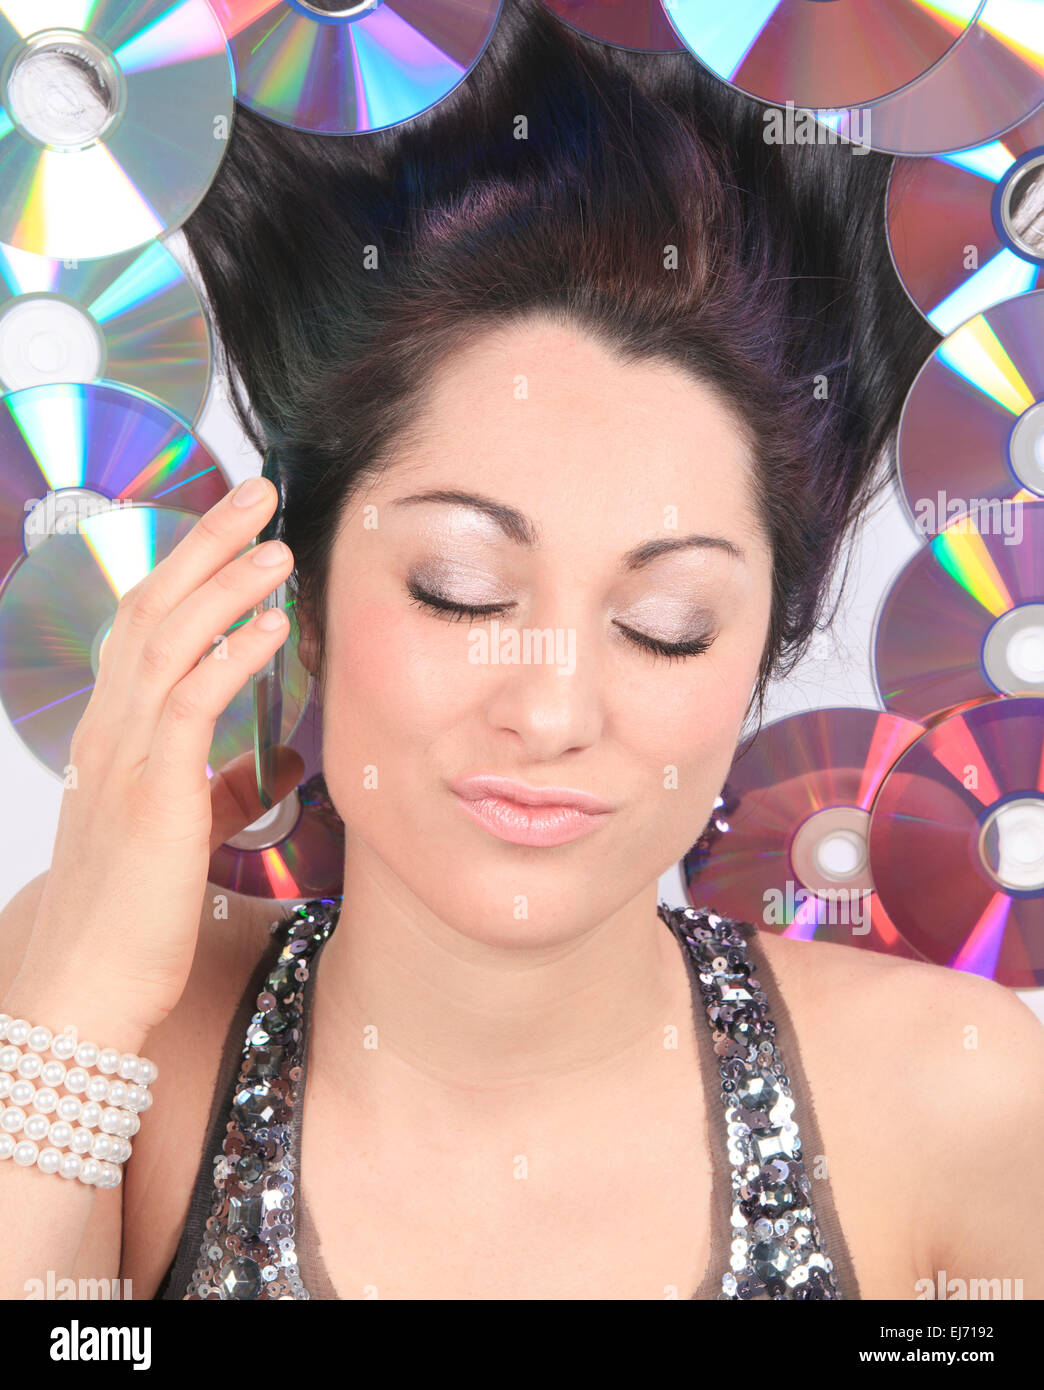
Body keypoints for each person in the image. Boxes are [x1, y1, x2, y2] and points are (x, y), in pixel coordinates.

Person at [1, 0, 1041, 1301]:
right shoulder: (95, 1023)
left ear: (761, 650)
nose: (553, 708)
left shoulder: (958, 1098)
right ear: (303, 598)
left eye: (669, 625)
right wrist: (82, 1003)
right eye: (461, 588)